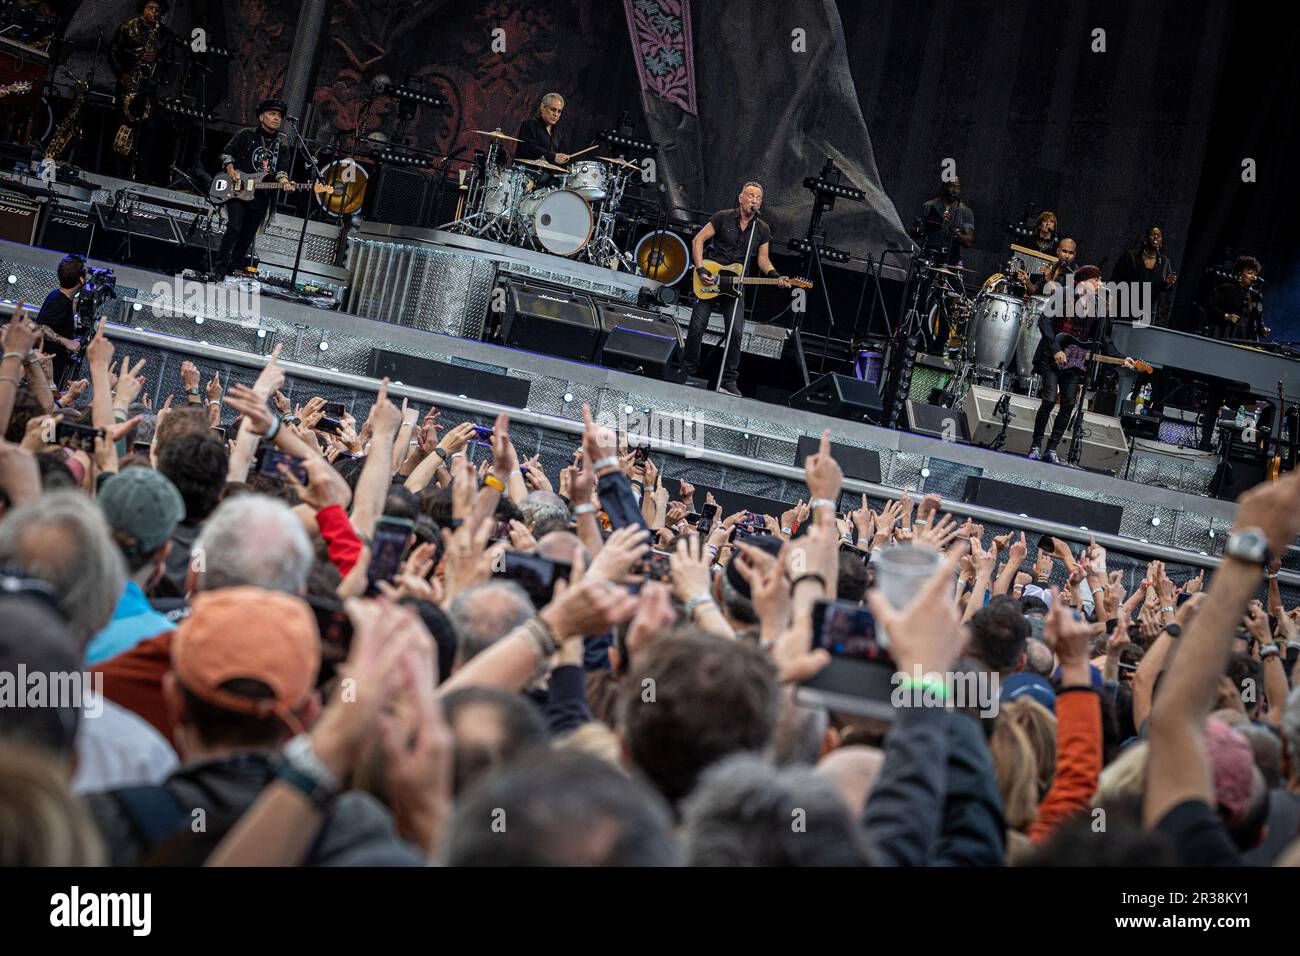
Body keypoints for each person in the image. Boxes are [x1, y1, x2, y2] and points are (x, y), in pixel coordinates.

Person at [685, 182, 792, 396]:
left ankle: (728, 381)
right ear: (740, 197)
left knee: (735, 332)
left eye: (758, 197)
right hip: (711, 278)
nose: (754, 200)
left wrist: (776, 277)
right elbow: (698, 240)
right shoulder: (722, 217)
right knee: (697, 326)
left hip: (735, 283)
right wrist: (701, 269)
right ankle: (688, 372)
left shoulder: (761, 229)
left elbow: (763, 259)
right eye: (750, 195)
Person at [1026, 265, 1138, 462]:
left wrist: (1121, 358)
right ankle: (1035, 445)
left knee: (1069, 403)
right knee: (1049, 400)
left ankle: (1051, 449)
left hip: (1075, 360)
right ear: (1084, 281)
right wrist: (1056, 349)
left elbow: (1103, 338)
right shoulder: (1063, 295)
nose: (1100, 284)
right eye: (1096, 280)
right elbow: (1044, 322)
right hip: (1051, 355)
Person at [212, 97, 296, 277]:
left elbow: (281, 170)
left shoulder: (281, 144)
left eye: (279, 115)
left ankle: (232, 272)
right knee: (234, 228)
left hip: (261, 196)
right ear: (261, 117)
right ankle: (218, 269)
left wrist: (284, 182)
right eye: (272, 114)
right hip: (238, 190)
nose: (276, 118)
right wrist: (231, 170)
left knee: (247, 236)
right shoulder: (245, 134)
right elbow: (227, 154)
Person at [32, 255, 85, 387]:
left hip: (52, 365)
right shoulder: (59, 301)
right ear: (81, 279)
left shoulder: (61, 297)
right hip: (45, 368)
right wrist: (68, 342)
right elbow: (40, 327)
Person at [1111, 227, 1177, 327]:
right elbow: (1116, 278)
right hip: (1126, 305)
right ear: (1146, 239)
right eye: (1153, 234)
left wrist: (1167, 283)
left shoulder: (1164, 262)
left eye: (1159, 236)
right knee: (1122, 333)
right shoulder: (1131, 257)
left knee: (1140, 335)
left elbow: (1162, 287)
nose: (1156, 237)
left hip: (1147, 310)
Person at [915, 176, 974, 265]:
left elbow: (968, 242)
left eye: (957, 187)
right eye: (951, 186)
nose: (954, 190)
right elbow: (916, 232)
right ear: (944, 186)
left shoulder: (965, 212)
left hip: (951, 260)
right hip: (929, 256)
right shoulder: (928, 206)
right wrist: (922, 227)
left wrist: (952, 227)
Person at [1206, 255, 1265, 342]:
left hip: (1246, 338)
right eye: (1249, 273)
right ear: (1240, 274)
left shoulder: (1256, 295)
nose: (1253, 277)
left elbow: (1259, 317)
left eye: (1255, 274)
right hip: (1226, 333)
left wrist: (1262, 329)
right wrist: (1227, 316)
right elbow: (1211, 307)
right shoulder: (1227, 288)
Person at [514, 92, 571, 167]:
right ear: (542, 107)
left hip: (547, 173)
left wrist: (564, 160)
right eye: (553, 109)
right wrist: (553, 156)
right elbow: (528, 149)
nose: (556, 114)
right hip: (526, 171)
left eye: (559, 111)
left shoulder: (557, 134)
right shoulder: (529, 125)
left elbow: (559, 158)